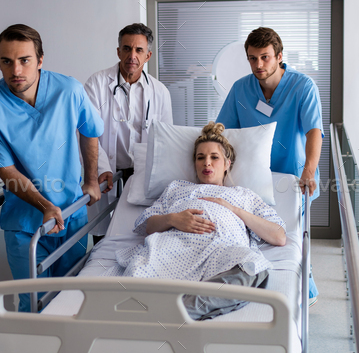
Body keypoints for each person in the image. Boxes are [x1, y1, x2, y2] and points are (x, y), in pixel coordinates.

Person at [0, 23, 103, 313]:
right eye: (6, 61)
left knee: (76, 302)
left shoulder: (68, 90)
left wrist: (91, 179)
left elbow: (90, 130)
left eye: (24, 60)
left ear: (40, 60)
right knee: (34, 306)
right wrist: (44, 204)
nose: (15, 70)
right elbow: (6, 170)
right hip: (25, 223)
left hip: (72, 213)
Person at [117, 123, 286, 320]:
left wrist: (233, 209)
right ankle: (177, 311)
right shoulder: (176, 188)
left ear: (227, 163)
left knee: (252, 267)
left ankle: (174, 313)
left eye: (214, 157)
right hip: (175, 246)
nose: (207, 163)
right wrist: (173, 219)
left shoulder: (243, 195)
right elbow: (146, 225)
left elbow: (279, 236)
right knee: (139, 271)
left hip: (223, 248)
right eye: (200, 157)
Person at [216, 27, 323, 305]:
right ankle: (254, 278)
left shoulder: (303, 87)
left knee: (291, 236)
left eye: (265, 57)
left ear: (279, 56)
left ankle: (303, 286)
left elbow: (314, 131)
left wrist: (308, 171)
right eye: (252, 59)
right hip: (254, 177)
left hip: (292, 176)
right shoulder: (242, 88)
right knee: (256, 233)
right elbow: (223, 130)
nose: (259, 65)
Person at [84, 23, 173, 191]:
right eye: (126, 49)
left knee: (141, 217)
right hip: (107, 171)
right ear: (118, 52)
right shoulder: (97, 84)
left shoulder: (160, 92)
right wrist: (102, 168)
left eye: (139, 50)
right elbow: (87, 133)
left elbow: (166, 140)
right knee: (105, 217)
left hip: (144, 175)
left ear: (148, 55)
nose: (132, 56)